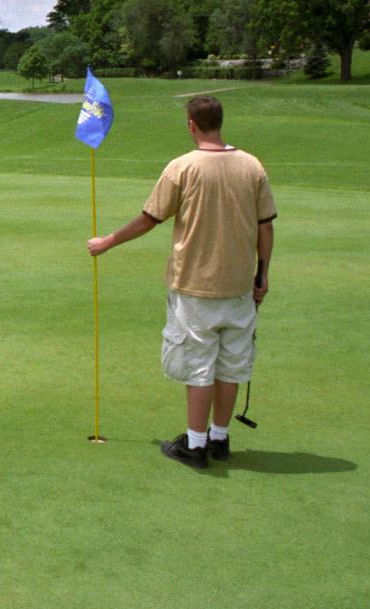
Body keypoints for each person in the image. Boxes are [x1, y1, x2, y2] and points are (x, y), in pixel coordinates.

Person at [87, 95, 276, 470]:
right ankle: (219, 437)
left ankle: (195, 445)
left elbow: (149, 219)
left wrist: (107, 242)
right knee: (230, 365)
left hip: (194, 284)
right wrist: (262, 273)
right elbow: (265, 226)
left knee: (200, 365)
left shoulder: (182, 167)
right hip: (239, 286)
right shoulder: (252, 166)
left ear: (192, 124)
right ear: (220, 121)